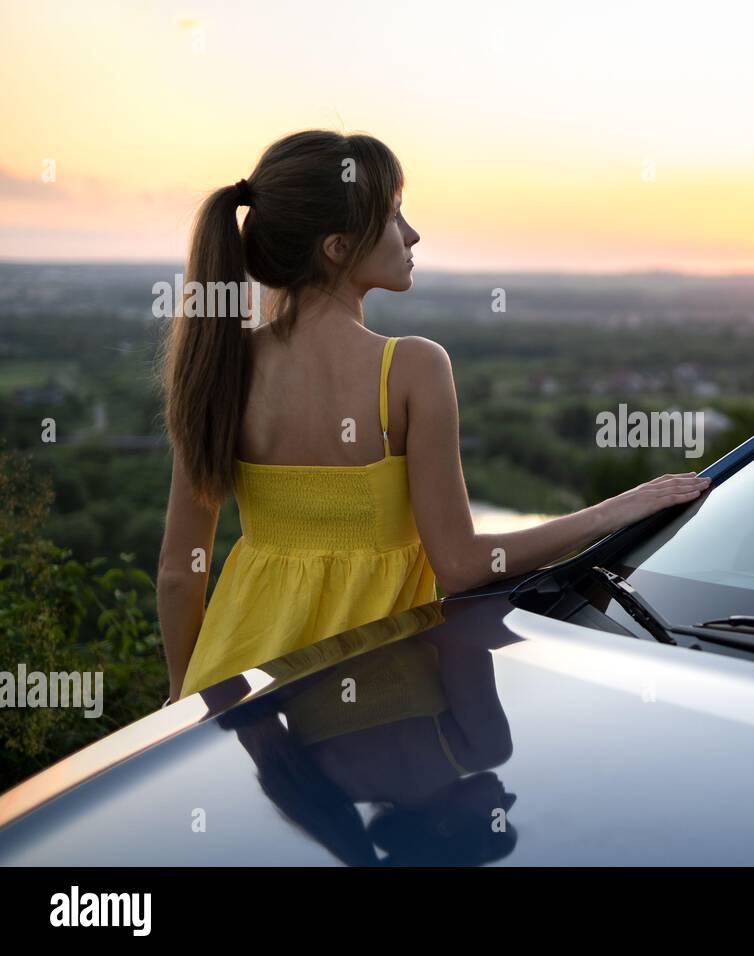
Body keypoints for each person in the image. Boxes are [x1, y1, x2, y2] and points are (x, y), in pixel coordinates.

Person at [155, 130, 710, 704]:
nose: (411, 233)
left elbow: (178, 571)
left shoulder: (219, 367)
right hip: (374, 688)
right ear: (338, 247)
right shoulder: (412, 368)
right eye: (394, 215)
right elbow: (465, 565)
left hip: (236, 688)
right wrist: (616, 512)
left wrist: (180, 696)